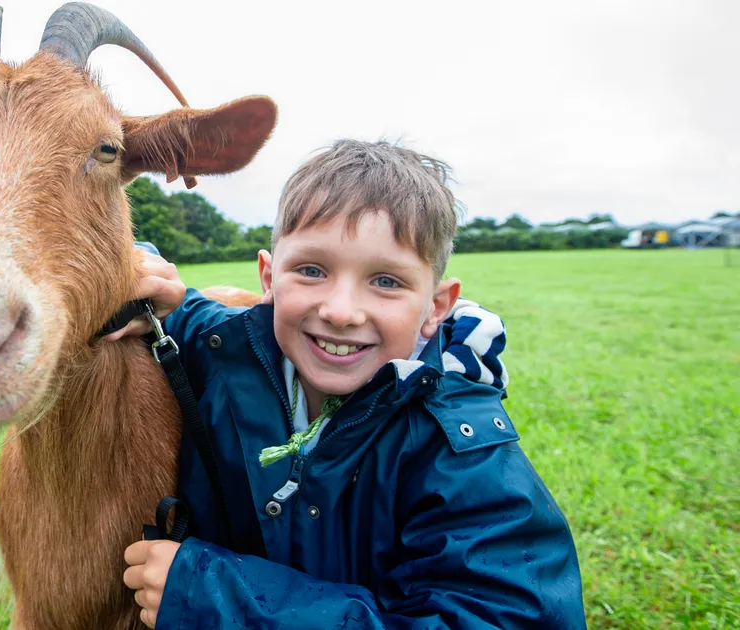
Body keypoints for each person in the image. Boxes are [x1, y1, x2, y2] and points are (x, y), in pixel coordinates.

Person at [110, 140, 586, 628]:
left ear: (437, 307)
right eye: (311, 270)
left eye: (386, 281)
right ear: (269, 278)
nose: (340, 311)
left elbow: (502, 618)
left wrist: (213, 595)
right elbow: (136, 266)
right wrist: (147, 274)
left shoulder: (460, 454)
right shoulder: (225, 348)